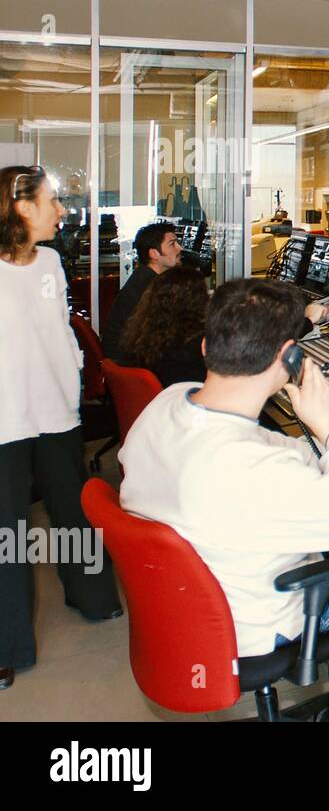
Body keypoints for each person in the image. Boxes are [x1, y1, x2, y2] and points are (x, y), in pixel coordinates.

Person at [119, 278, 329, 712]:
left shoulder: (168, 403)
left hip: (192, 611)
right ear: (289, 357)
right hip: (260, 622)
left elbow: (263, 449)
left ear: (206, 347)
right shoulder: (252, 472)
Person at [0, 166, 123, 692]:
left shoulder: (50, 260)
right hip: (5, 418)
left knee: (73, 509)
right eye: (52, 201)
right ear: (22, 208)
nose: (61, 210)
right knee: (8, 531)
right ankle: (9, 647)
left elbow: (55, 331)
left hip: (56, 410)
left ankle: (93, 599)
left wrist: (75, 374)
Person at [102, 222, 182, 361]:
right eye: (172, 244)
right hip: (131, 361)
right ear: (154, 253)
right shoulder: (150, 285)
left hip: (127, 356)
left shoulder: (145, 277)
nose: (180, 248)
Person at [120, 267, 209, 388]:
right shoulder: (196, 346)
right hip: (185, 402)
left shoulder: (142, 336)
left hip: (156, 403)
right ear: (198, 300)